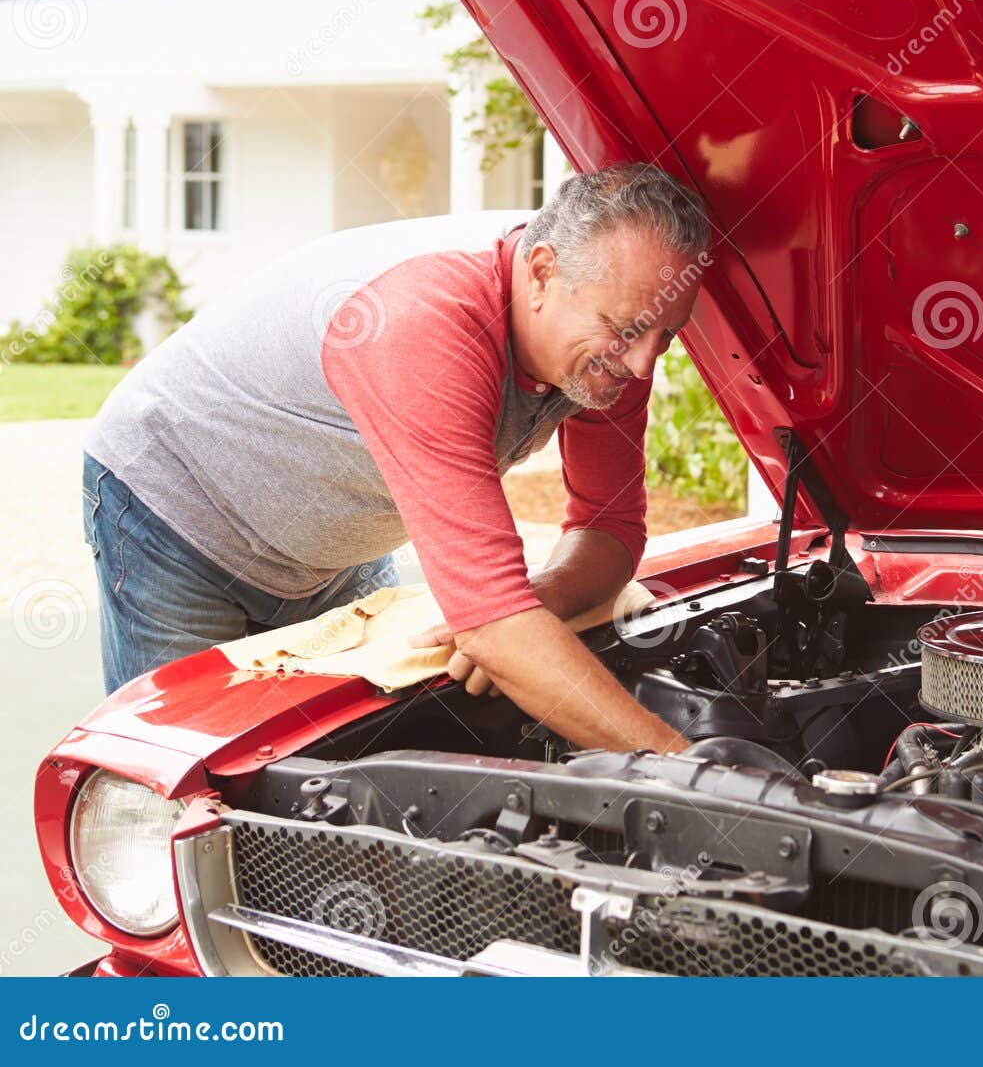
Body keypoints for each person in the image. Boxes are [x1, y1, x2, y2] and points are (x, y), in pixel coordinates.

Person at [82, 162, 708, 753]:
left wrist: (544, 598)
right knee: (195, 772)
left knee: (351, 751)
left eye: (667, 335)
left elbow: (611, 527)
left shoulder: (613, 327)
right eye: (627, 331)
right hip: (174, 516)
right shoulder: (422, 326)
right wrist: (688, 770)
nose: (643, 365)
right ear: (541, 274)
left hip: (332, 546)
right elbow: (493, 624)